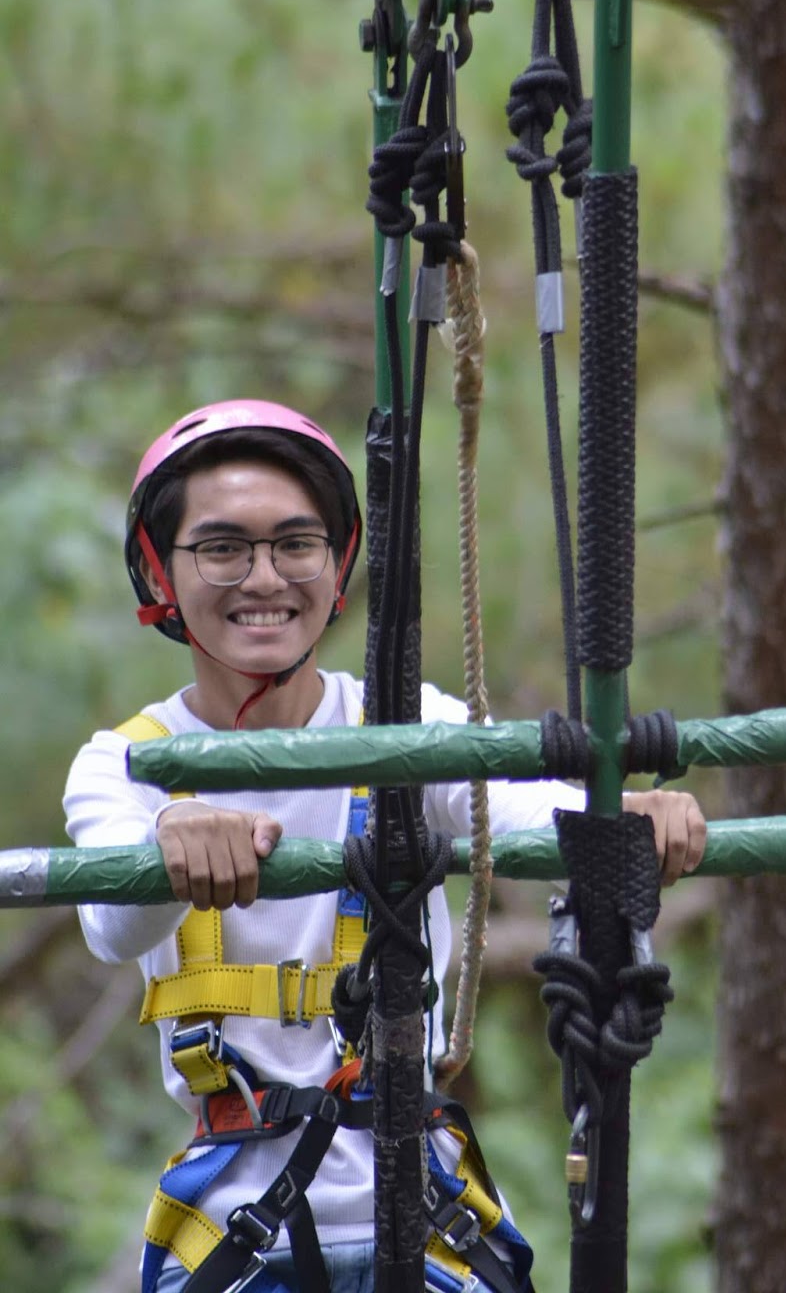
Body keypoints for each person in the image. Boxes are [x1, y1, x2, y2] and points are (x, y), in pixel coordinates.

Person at [63, 400, 707, 1293]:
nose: (264, 577)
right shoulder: (128, 763)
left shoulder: (409, 727)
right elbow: (111, 923)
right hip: (234, 1236)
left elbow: (526, 815)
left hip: (424, 1214)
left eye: (296, 544)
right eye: (222, 548)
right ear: (159, 573)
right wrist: (171, 835)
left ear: (337, 566)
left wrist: (632, 818)